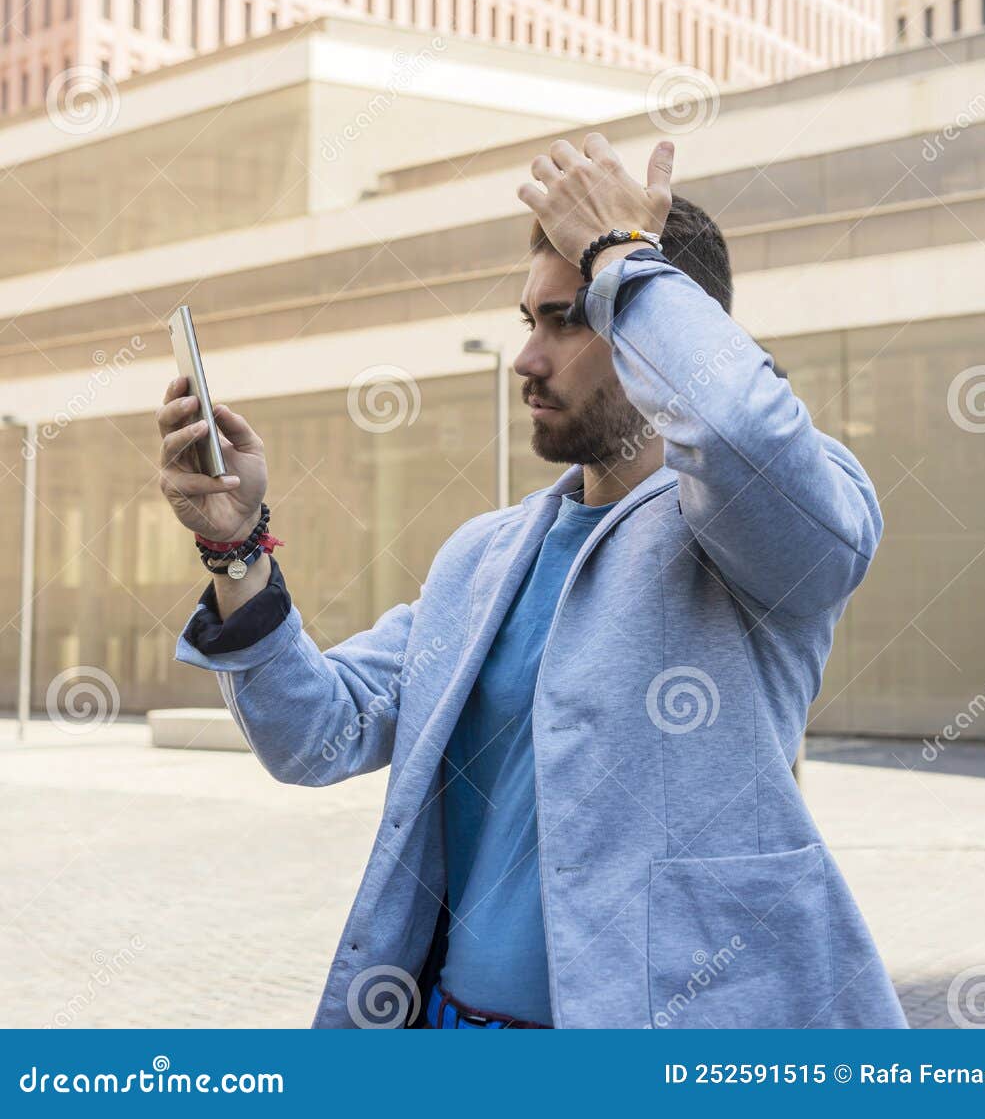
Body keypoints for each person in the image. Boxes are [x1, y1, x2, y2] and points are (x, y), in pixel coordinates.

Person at [158, 131, 907, 1031]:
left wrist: (621, 258)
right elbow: (316, 735)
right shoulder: (485, 556)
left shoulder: (763, 522)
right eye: (530, 321)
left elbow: (740, 423)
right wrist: (237, 548)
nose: (528, 359)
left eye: (570, 319)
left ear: (661, 324)